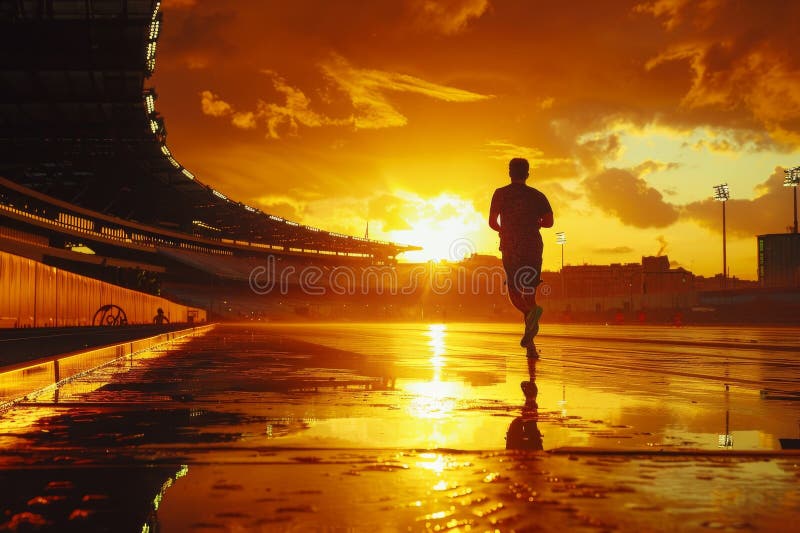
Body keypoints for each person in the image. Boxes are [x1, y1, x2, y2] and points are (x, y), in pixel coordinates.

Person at [489, 158, 553, 356]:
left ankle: (530, 314)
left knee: (514, 290)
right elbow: (549, 222)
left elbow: (492, 222)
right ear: (527, 174)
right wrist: (536, 223)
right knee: (529, 292)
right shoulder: (537, 195)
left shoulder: (500, 194)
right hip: (533, 246)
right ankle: (531, 346)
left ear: (510, 173)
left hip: (511, 247)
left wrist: (504, 230)